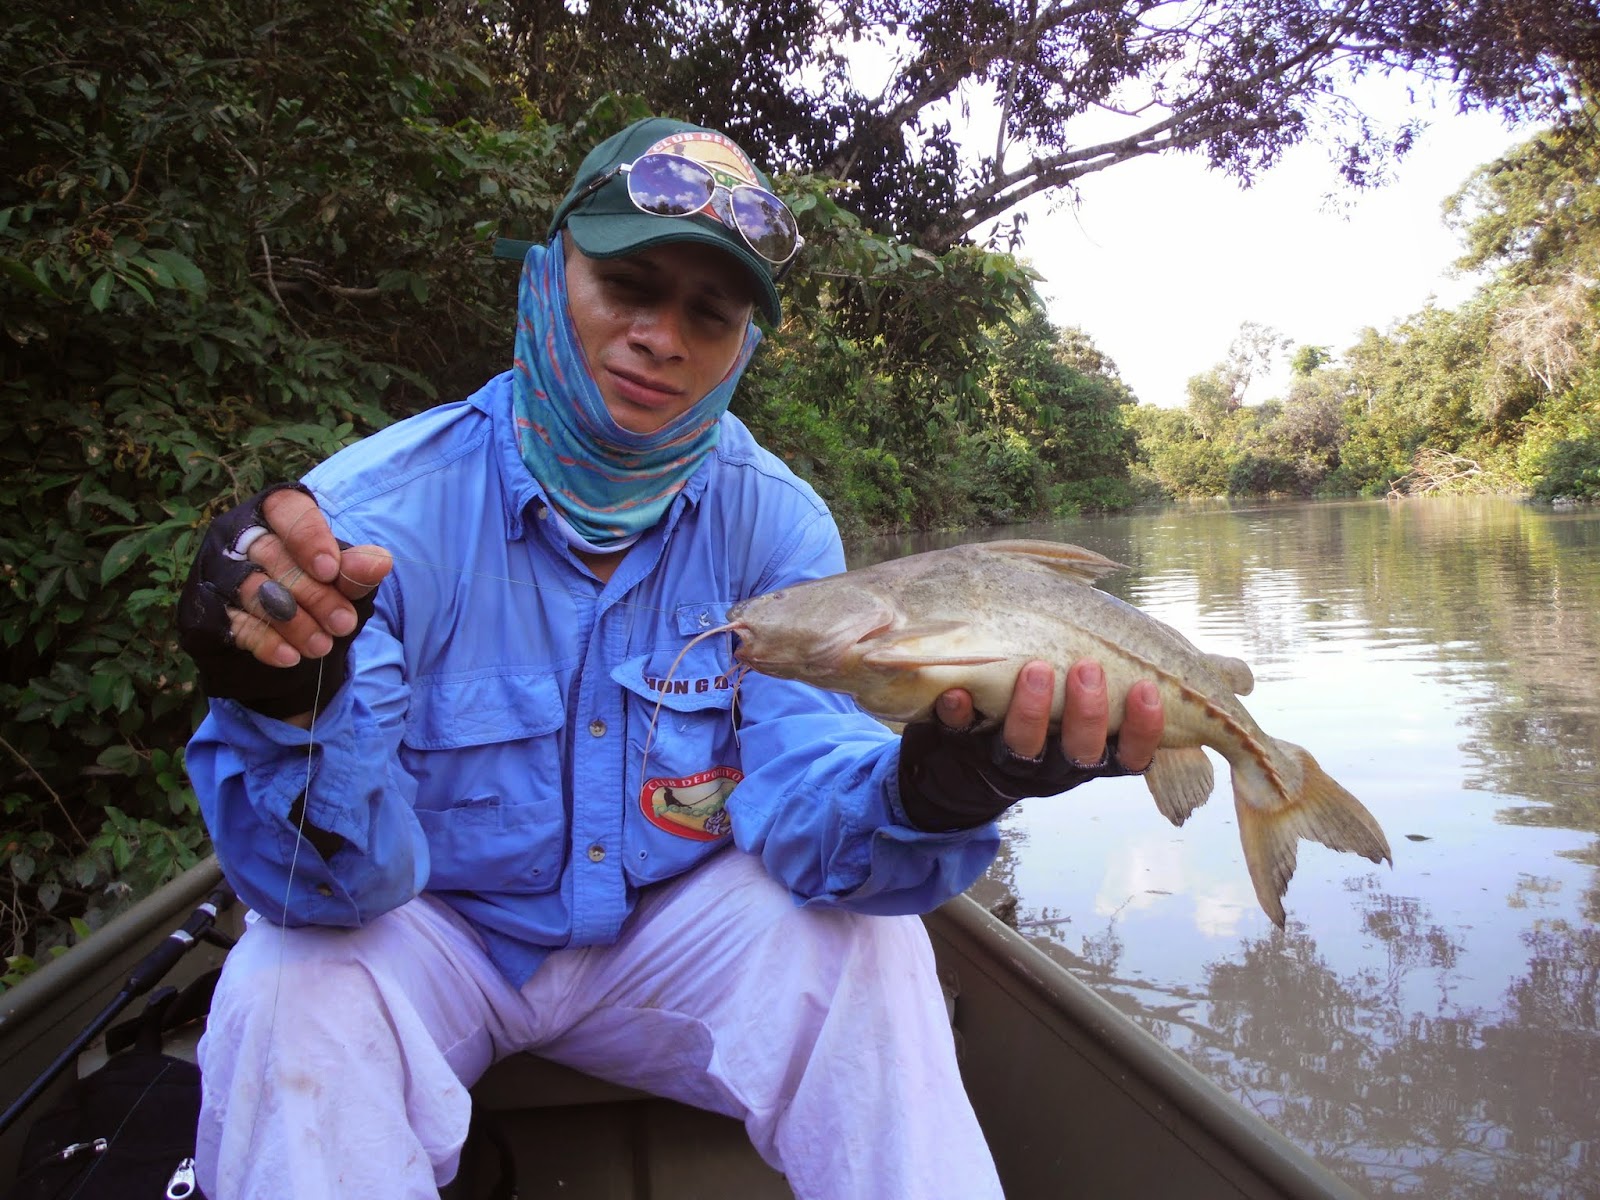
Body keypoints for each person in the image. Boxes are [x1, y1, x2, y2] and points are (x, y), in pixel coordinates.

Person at [176, 116, 1166, 1200]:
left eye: (710, 312)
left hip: (669, 937)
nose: (663, 336)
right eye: (629, 285)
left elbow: (806, 817)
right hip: (437, 937)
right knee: (283, 984)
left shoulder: (777, 527)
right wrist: (281, 703)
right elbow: (326, 886)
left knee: (871, 953)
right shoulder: (372, 523)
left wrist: (935, 791)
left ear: (741, 342)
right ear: (551, 276)